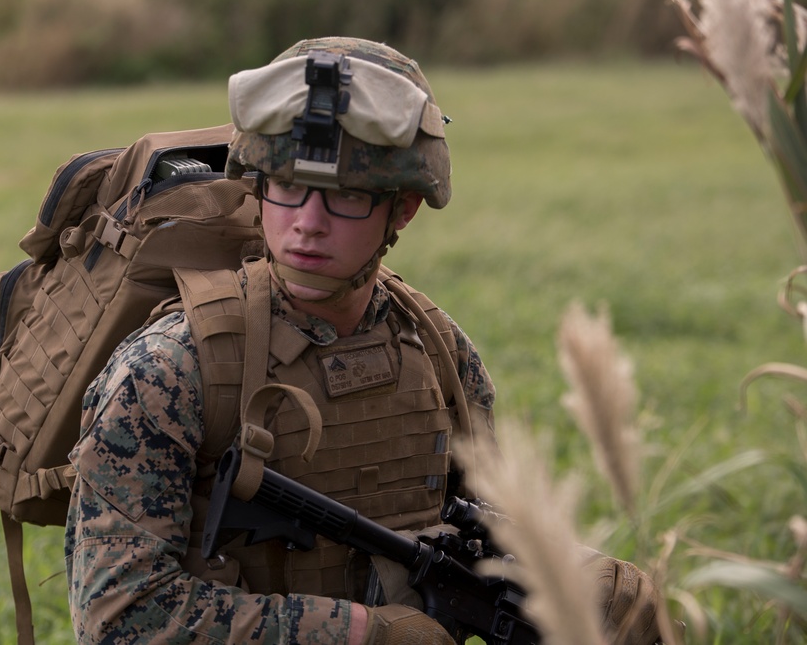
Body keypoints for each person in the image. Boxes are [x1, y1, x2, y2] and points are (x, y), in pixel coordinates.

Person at [64, 36, 661, 644]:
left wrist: (574, 574)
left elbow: (479, 533)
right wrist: (359, 634)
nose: (307, 224)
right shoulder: (170, 370)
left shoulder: (437, 350)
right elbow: (120, 617)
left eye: (345, 196)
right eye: (286, 186)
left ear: (402, 210)